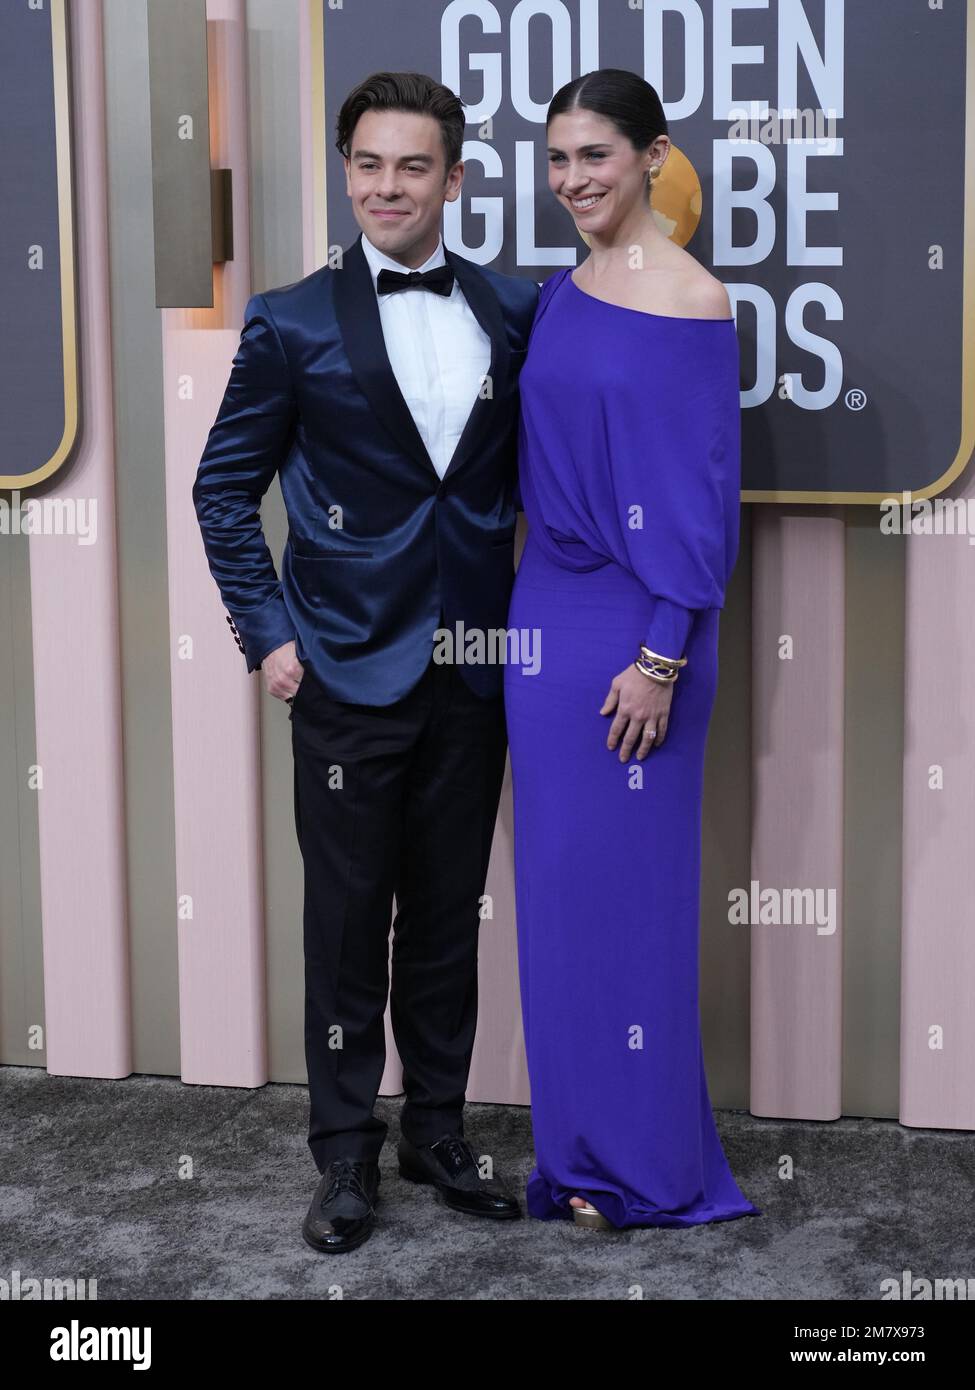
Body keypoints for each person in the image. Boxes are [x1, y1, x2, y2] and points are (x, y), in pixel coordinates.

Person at [193, 71, 539, 1254]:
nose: (390, 187)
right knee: (347, 923)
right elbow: (221, 490)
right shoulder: (292, 320)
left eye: (415, 166)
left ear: (454, 176)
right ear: (347, 172)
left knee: (447, 916)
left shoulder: (511, 307)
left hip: (475, 667)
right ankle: (344, 1156)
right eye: (370, 165)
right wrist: (271, 636)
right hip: (342, 667)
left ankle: (436, 1131)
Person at [504, 68, 761, 1230]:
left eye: (594, 156)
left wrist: (661, 656)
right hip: (543, 625)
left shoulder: (693, 298)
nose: (573, 181)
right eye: (557, 159)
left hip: (635, 635)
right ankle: (577, 1157)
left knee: (632, 911)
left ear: (653, 157)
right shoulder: (569, 287)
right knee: (559, 907)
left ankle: (649, 1171)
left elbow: (700, 502)